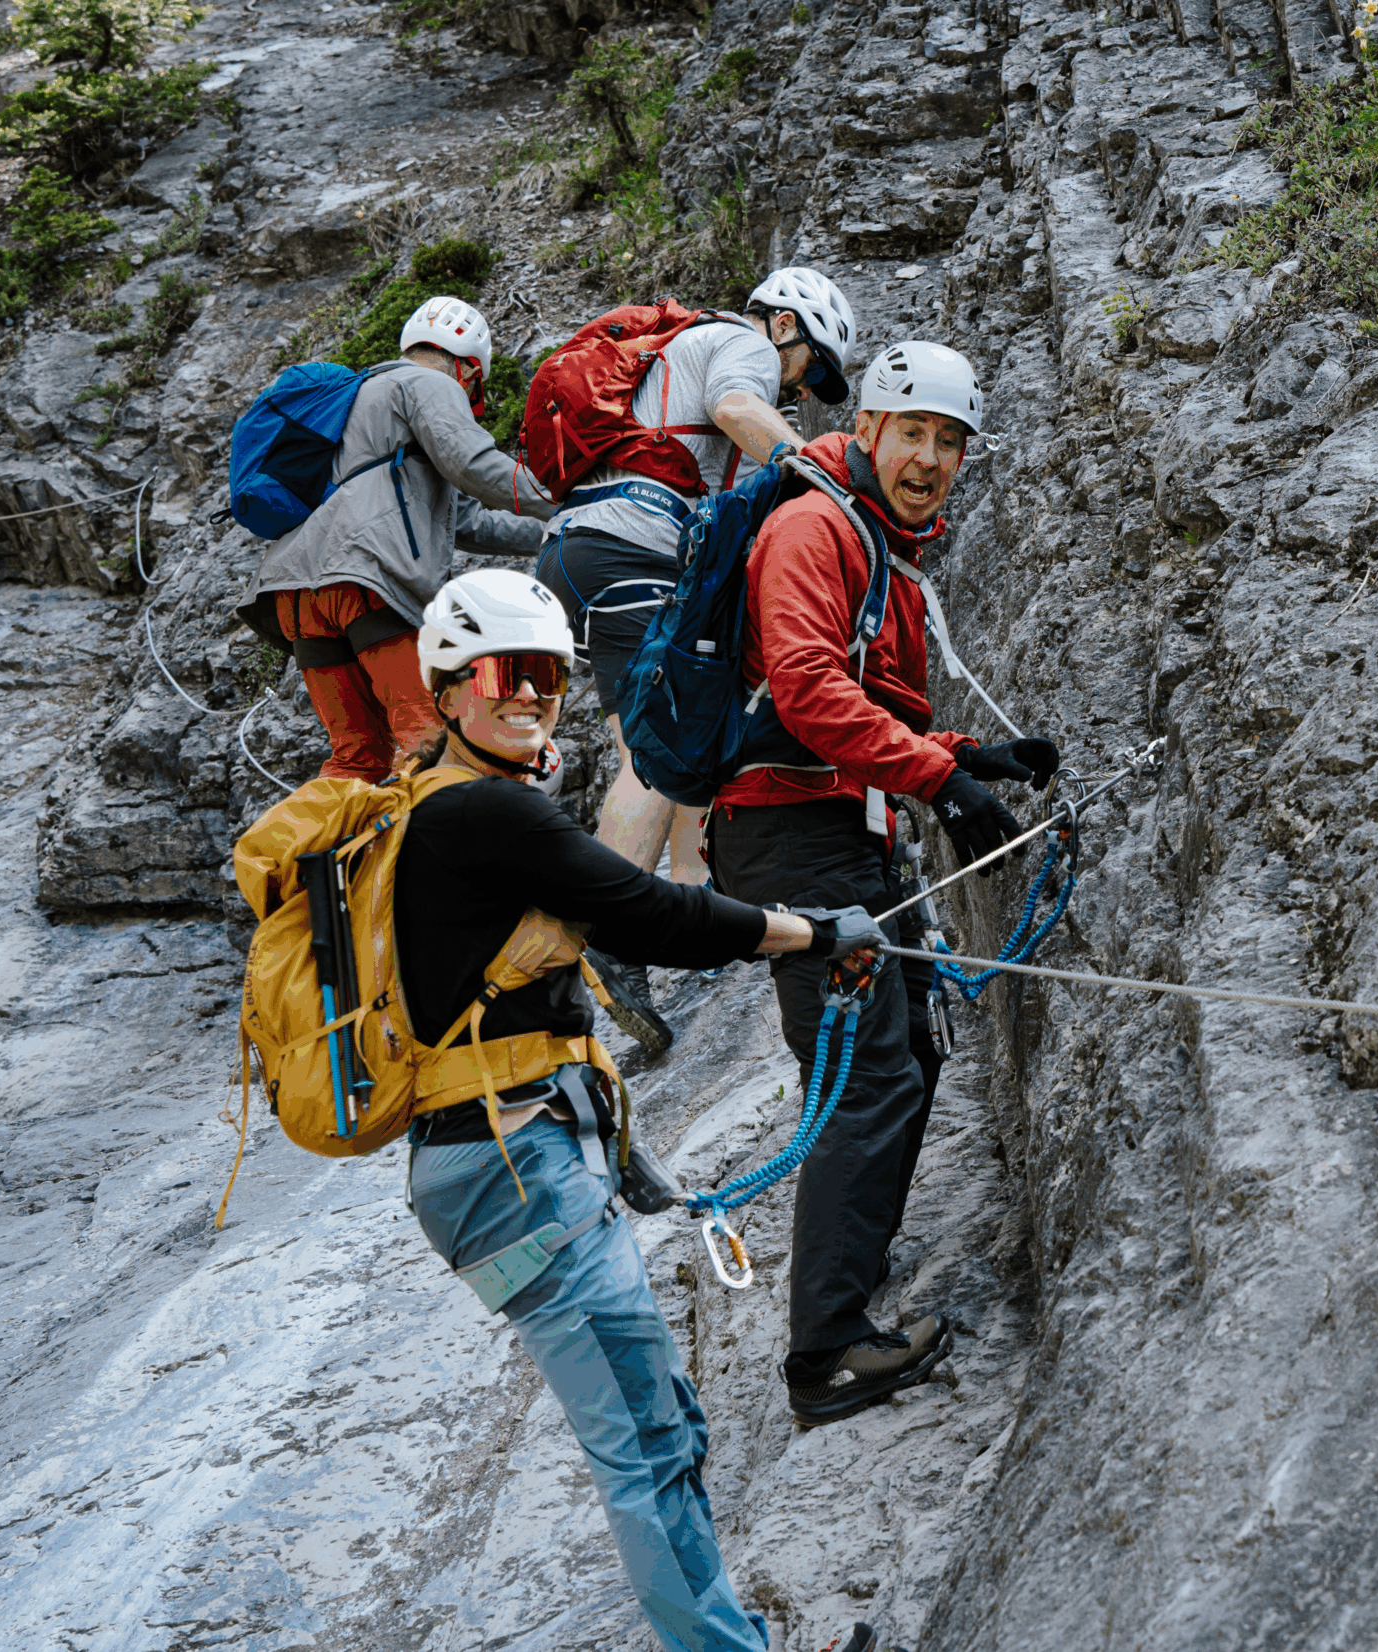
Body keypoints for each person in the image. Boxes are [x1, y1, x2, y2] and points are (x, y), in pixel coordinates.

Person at [396, 568, 890, 1652]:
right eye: (499, 673)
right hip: (513, 1167)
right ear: (446, 689)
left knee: (655, 1422)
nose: (526, 692)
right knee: (645, 1439)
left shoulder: (446, 804)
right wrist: (814, 930)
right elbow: (651, 911)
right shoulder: (480, 809)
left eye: (545, 674)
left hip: (506, 1158)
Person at [704, 340, 1060, 1425]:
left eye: (950, 442)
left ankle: (847, 1264)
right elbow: (807, 691)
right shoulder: (817, 527)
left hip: (828, 828)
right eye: (913, 432)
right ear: (865, 431)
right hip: (790, 837)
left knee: (901, 1055)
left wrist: (965, 755)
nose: (931, 458)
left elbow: (871, 708)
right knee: (864, 1075)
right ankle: (824, 1353)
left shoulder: (876, 545)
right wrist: (939, 780)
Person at [535, 267, 859, 1052]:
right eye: (810, 366)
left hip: (582, 548)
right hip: (632, 549)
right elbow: (738, 409)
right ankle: (605, 937)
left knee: (661, 735)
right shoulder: (743, 345)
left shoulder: (680, 349)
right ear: (785, 326)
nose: (803, 387)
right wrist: (836, 487)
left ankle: (685, 893)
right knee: (656, 752)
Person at [250, 296, 553, 780]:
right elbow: (473, 465)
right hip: (366, 583)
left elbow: (468, 521)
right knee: (426, 738)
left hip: (296, 593)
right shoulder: (428, 382)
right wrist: (567, 503)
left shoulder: (356, 396)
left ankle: (315, 855)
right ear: (469, 369)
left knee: (356, 756)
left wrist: (553, 533)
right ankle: (424, 857)